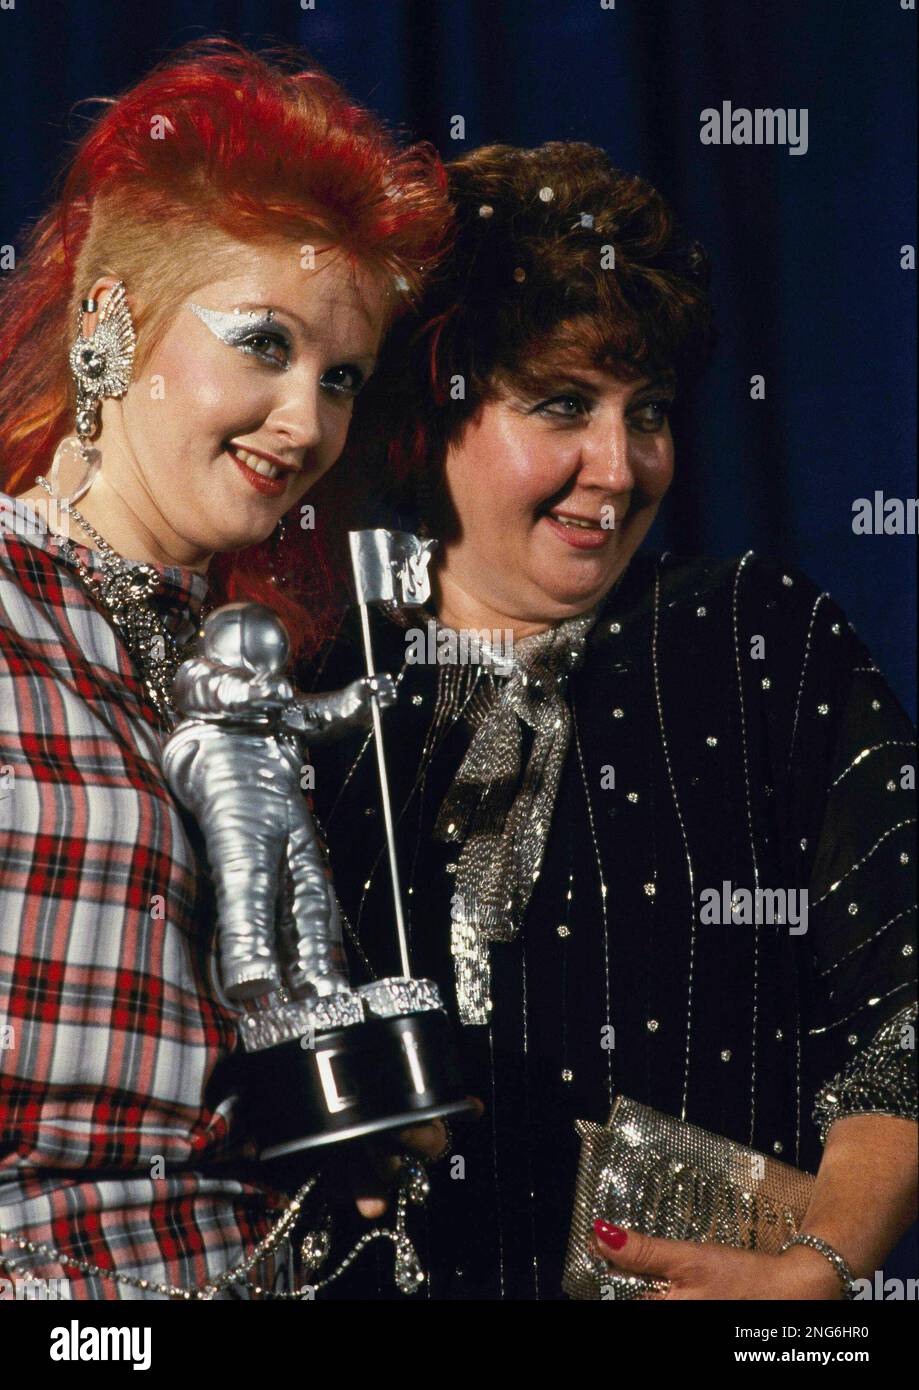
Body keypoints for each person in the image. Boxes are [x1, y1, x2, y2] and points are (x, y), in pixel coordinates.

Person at [303, 141, 918, 1300]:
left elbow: (907, 995)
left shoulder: (752, 637)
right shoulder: (319, 692)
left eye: (648, 413)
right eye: (561, 405)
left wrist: (817, 1268)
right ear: (433, 410)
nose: (619, 465)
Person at [0, 38, 451, 1299]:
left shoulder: (242, 669)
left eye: (340, 375)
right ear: (111, 326)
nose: (306, 422)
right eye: (263, 344)